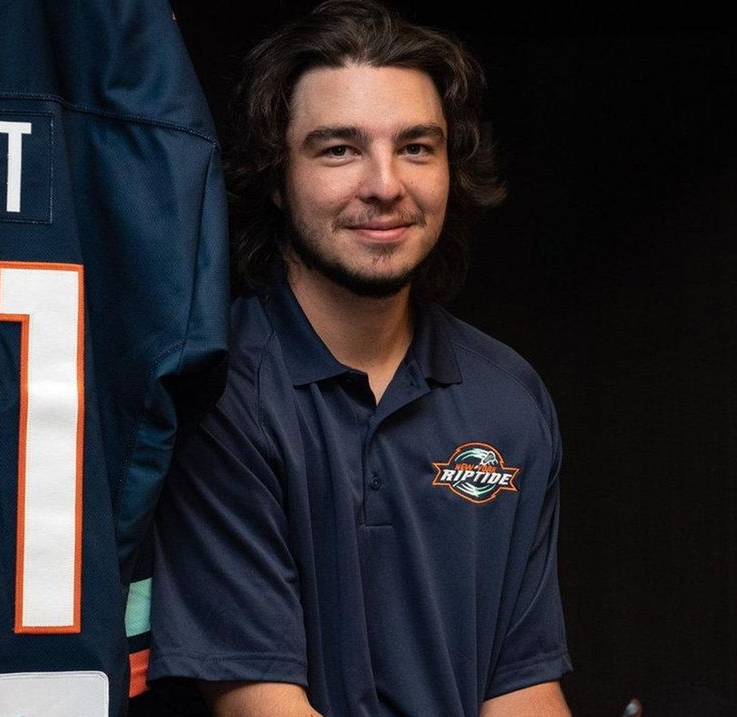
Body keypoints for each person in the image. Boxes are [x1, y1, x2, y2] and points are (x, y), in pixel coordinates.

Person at [146, 1, 572, 715]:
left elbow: (523, 685)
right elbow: (260, 704)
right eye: (339, 148)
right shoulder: (219, 388)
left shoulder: (508, 395)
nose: (385, 184)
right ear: (277, 176)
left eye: (416, 147)